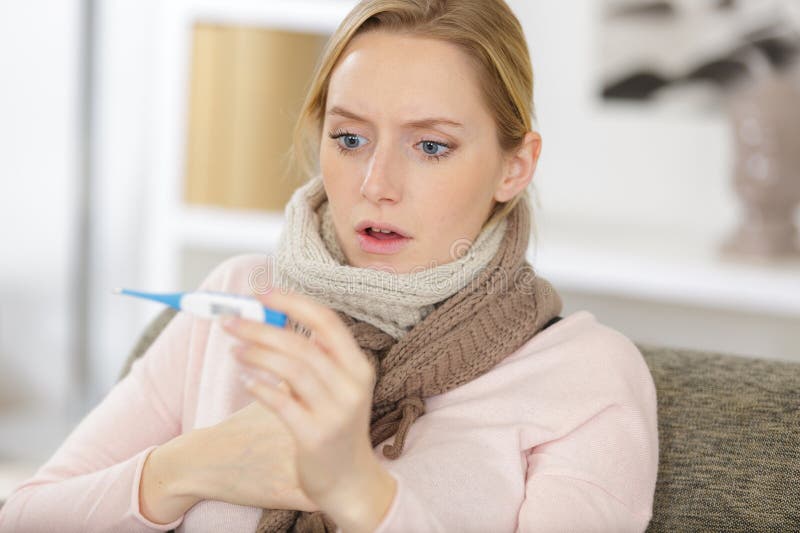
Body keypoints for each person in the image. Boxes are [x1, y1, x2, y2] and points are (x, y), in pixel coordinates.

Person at [0, 0, 659, 531]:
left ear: (514, 167)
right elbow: (27, 514)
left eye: (431, 145)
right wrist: (190, 466)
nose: (375, 182)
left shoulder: (585, 374)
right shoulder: (240, 295)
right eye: (349, 138)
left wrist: (358, 491)